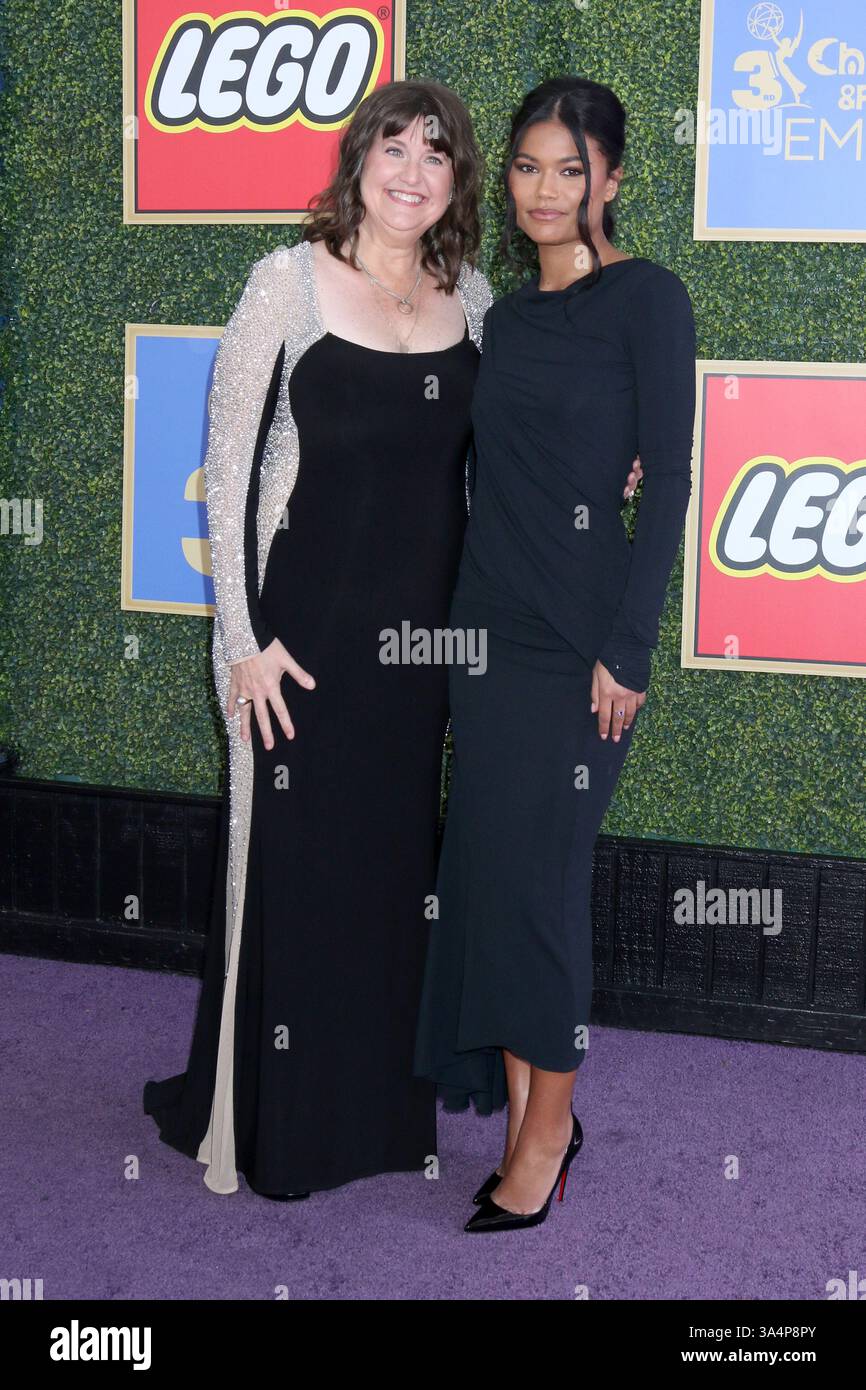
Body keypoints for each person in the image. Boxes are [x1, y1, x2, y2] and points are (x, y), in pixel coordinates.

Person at [413, 76, 697, 1233]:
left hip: (582, 643)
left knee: (542, 887)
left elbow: (668, 479)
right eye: (526, 166)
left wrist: (628, 646)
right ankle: (534, 1101)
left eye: (568, 169)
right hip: (485, 626)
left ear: (612, 180)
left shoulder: (648, 302)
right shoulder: (504, 316)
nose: (542, 189)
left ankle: (544, 1138)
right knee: (487, 867)